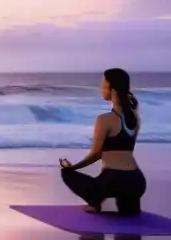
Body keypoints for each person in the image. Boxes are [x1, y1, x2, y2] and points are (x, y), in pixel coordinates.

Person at [58, 67, 146, 215]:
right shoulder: (135, 118)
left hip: (113, 181)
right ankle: (128, 202)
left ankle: (94, 203)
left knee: (66, 174)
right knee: (128, 215)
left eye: (103, 84)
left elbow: (96, 154)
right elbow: (127, 150)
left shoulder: (105, 119)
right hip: (137, 182)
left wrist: (72, 168)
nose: (100, 87)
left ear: (111, 89)